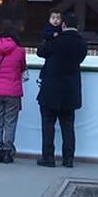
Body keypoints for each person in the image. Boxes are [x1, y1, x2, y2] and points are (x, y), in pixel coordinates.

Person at [36, 10, 88, 168]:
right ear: (77, 26)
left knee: (48, 125)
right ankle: (68, 159)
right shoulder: (82, 43)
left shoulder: (56, 41)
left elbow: (40, 52)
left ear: (63, 25)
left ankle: (48, 157)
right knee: (68, 127)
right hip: (70, 91)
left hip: (51, 89)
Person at [0, 28, 27, 164]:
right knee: (10, 122)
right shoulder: (20, 51)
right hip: (12, 91)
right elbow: (22, 68)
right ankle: (7, 152)